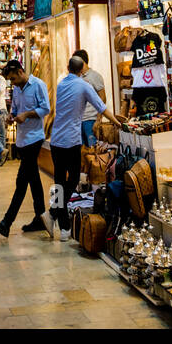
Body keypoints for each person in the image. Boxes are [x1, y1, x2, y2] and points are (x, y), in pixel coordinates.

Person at [51, 55, 124, 240]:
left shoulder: (61, 84)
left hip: (56, 139)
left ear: (68, 67)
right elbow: (101, 107)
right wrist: (117, 122)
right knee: (74, 178)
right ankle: (57, 217)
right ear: (82, 68)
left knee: (59, 182)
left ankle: (59, 220)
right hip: (71, 140)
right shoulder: (83, 85)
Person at [0, 60, 52, 238]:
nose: (12, 83)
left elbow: (46, 108)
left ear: (20, 72)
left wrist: (27, 115)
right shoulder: (17, 88)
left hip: (34, 138)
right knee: (33, 181)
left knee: (21, 182)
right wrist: (12, 115)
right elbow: (16, 108)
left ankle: (7, 222)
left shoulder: (38, 85)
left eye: (13, 79)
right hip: (22, 140)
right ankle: (41, 218)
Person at [74, 48, 107, 147]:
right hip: (78, 121)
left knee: (93, 150)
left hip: (91, 120)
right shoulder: (77, 77)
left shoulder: (95, 76)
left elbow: (102, 98)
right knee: (81, 151)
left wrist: (98, 119)